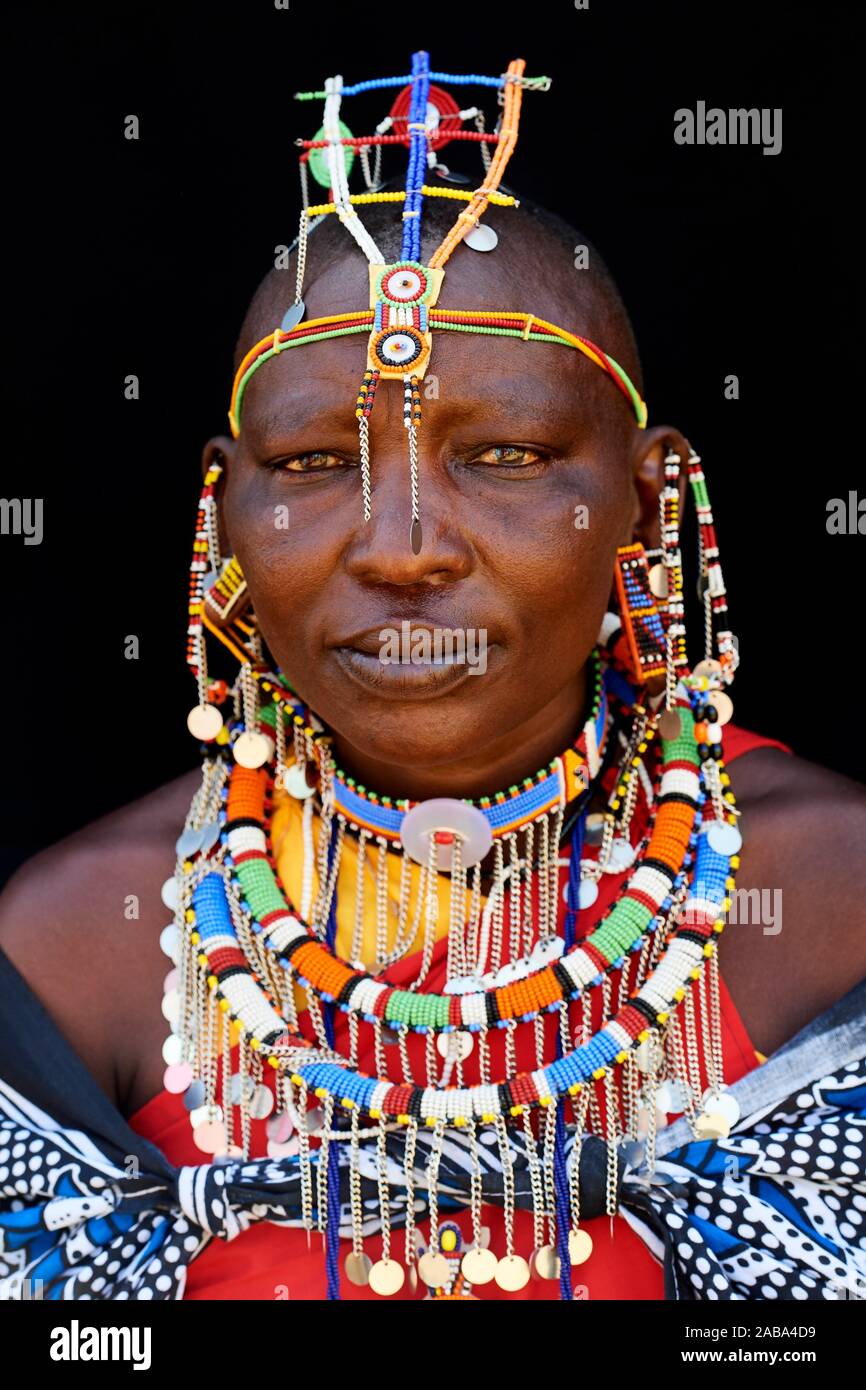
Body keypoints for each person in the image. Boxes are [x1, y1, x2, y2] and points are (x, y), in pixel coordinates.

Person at [1, 55, 865, 1304]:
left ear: (643, 498)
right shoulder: (80, 939)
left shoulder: (830, 892)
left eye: (507, 454)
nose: (403, 547)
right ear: (222, 513)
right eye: (306, 462)